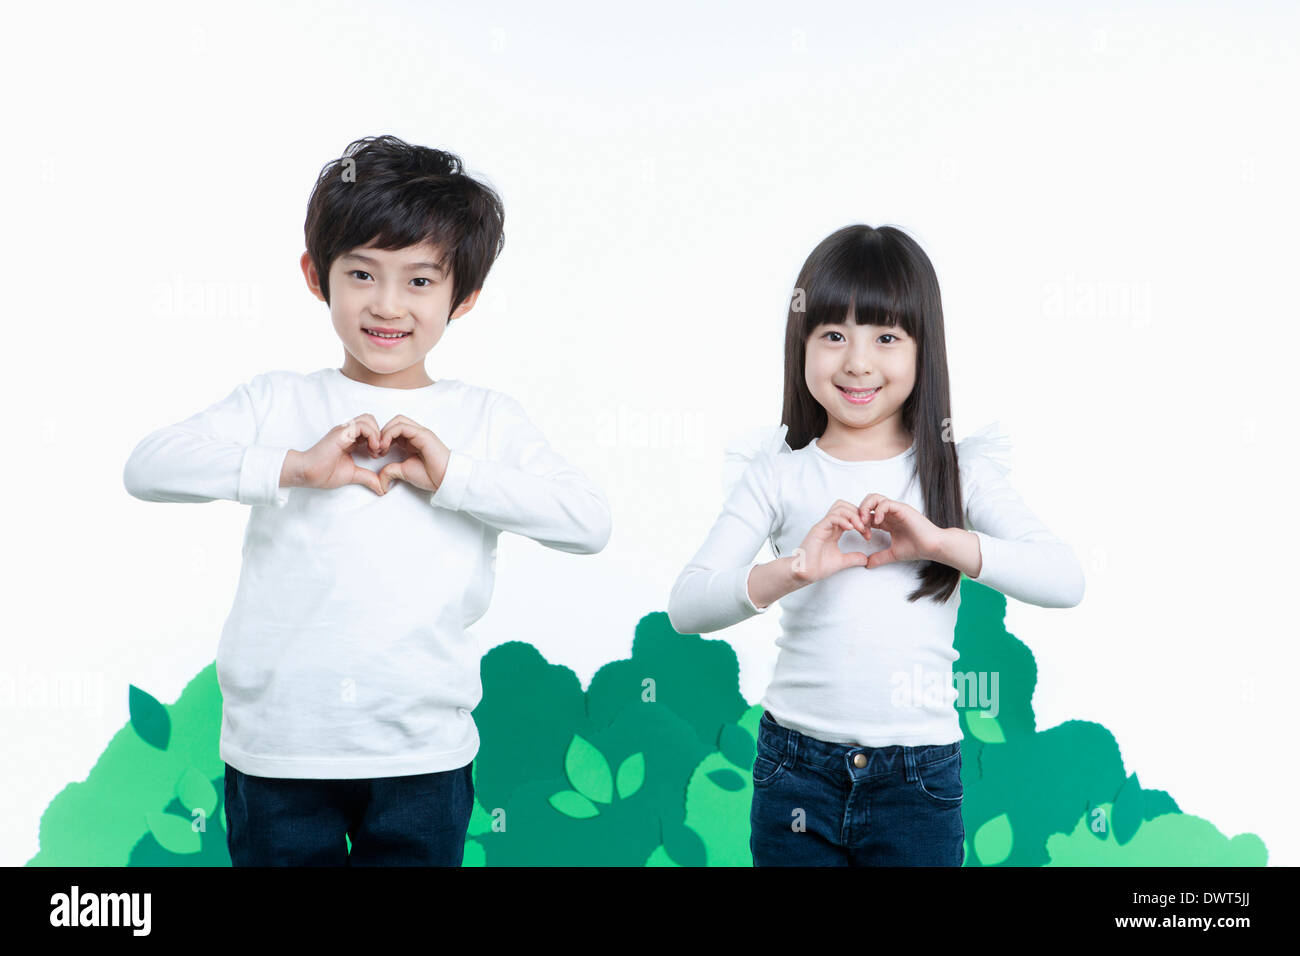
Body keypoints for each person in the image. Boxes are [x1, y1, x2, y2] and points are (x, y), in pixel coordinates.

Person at [123, 135, 612, 866]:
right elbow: (148, 467)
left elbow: (589, 523)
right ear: (316, 277)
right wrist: (294, 467)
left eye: (420, 281)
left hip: (423, 757)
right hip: (280, 753)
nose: (387, 305)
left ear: (465, 296)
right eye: (361, 273)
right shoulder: (279, 400)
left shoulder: (485, 419)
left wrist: (453, 477)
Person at [666, 224, 1084, 866]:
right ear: (799, 345)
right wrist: (795, 569)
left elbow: (1065, 579)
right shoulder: (779, 473)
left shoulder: (956, 473)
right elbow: (687, 606)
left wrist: (942, 542)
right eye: (833, 335)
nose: (857, 361)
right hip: (794, 773)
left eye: (886, 337)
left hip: (917, 782)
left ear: (924, 349)